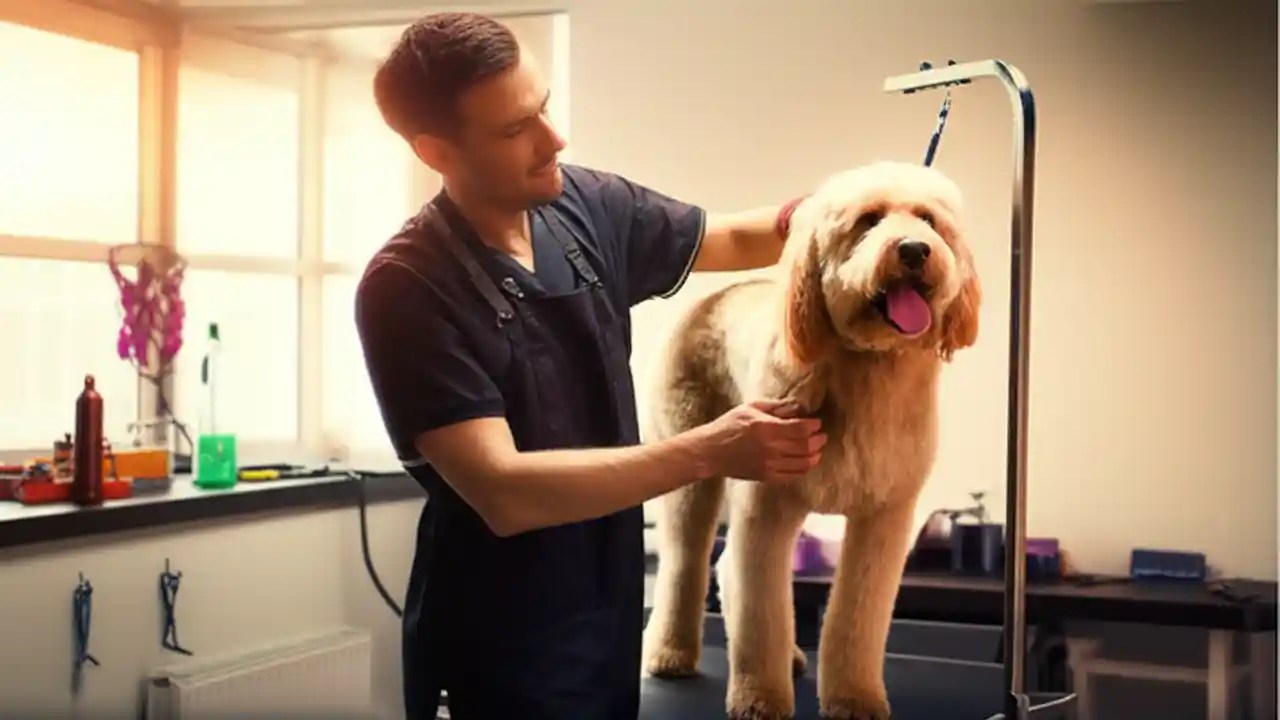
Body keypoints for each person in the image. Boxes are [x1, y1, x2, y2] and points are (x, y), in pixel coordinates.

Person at [355, 12, 826, 720]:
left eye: (543, 108)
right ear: (435, 150)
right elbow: (505, 491)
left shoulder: (584, 205)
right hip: (496, 636)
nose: (554, 139)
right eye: (515, 130)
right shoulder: (408, 287)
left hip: (604, 608)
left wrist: (845, 209)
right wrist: (710, 450)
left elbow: (728, 237)